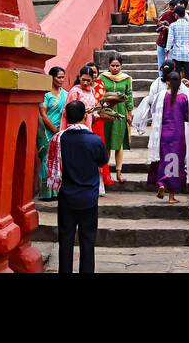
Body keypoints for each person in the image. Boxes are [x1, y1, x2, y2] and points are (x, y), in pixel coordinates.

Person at [47, 100, 108, 273]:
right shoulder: (94, 140)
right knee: (88, 240)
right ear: (85, 116)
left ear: (66, 116)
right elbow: (102, 161)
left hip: (67, 196)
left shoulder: (59, 139)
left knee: (65, 239)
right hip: (88, 196)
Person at [143, 64, 189, 202]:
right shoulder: (183, 98)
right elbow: (187, 116)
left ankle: (162, 183)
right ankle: (171, 195)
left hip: (163, 133)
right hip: (178, 134)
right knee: (175, 161)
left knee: (164, 159)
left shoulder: (161, 96)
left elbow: (153, 110)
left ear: (168, 82)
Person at [99, 56, 134, 184]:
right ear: (108, 66)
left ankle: (119, 173)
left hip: (120, 112)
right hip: (106, 111)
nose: (114, 68)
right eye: (112, 65)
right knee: (106, 143)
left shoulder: (126, 79)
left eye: (117, 65)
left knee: (119, 144)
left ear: (121, 66)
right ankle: (105, 173)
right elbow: (98, 94)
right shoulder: (101, 78)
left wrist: (130, 114)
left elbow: (129, 96)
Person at [37, 66, 69, 200]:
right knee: (46, 159)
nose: (61, 80)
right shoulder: (45, 95)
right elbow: (43, 114)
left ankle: (56, 191)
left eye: (63, 77)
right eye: (59, 77)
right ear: (52, 78)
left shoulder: (66, 94)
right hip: (47, 131)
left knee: (58, 159)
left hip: (61, 131)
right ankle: (46, 192)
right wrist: (54, 129)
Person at [164, 4, 189, 79]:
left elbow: (170, 40)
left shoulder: (172, 26)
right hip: (188, 55)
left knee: (175, 77)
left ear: (176, 15)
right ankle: (188, 89)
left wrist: (167, 50)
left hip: (177, 56)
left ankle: (177, 90)